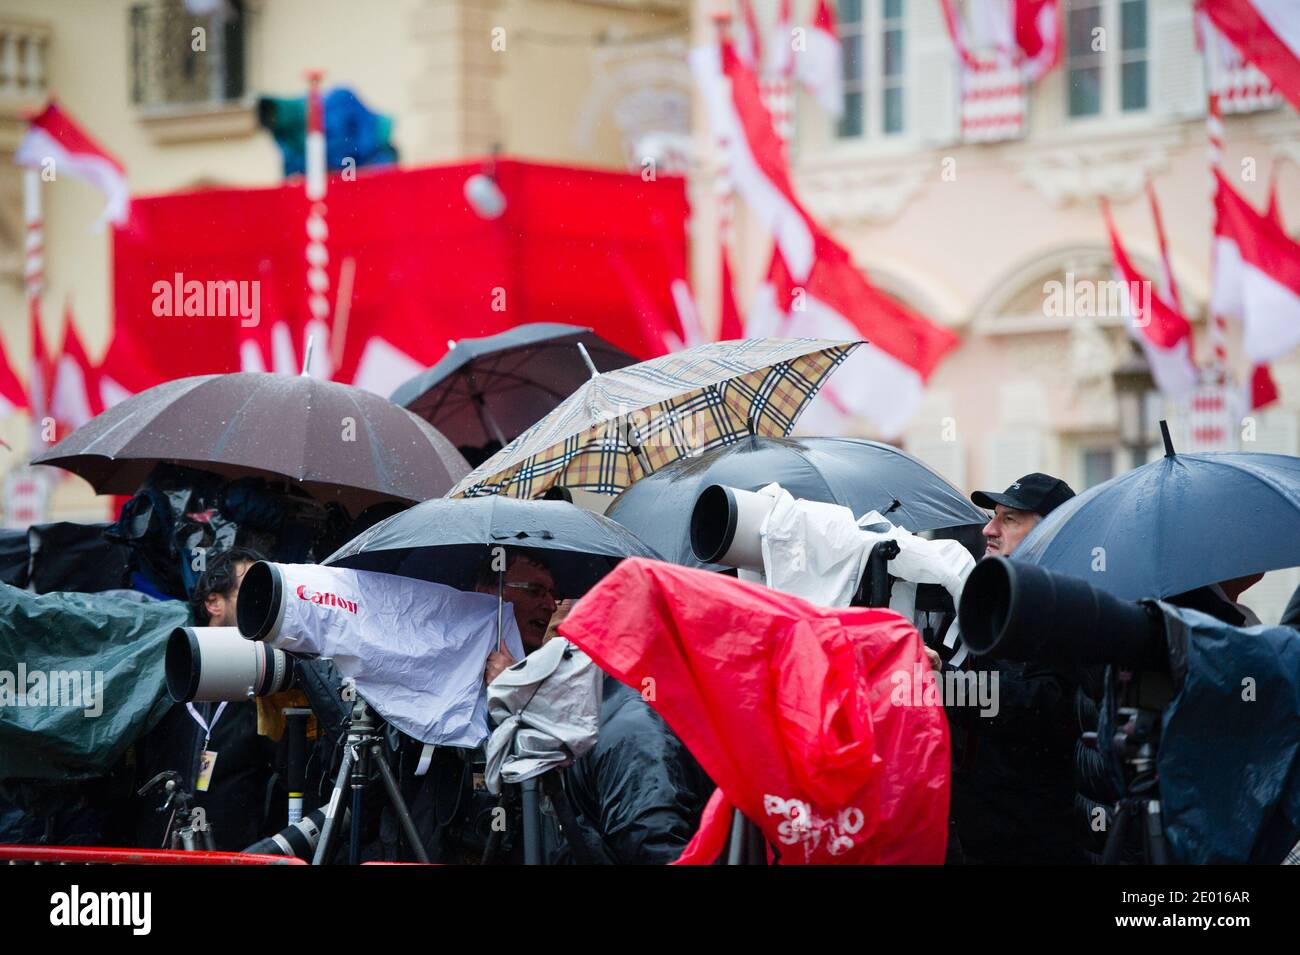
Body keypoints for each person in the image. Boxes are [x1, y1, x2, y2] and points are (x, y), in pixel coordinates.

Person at [947, 472, 1081, 864]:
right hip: (981, 833)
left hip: (1035, 842)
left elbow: (1039, 703)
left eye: (1009, 520)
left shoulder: (1068, 609)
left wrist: (942, 686)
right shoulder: (1000, 599)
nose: (988, 529)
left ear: (1051, 531)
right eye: (994, 516)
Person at [132, 547, 278, 852]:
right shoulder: (167, 673)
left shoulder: (268, 680)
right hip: (161, 852)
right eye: (248, 588)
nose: (261, 599)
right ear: (214, 602)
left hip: (240, 854)